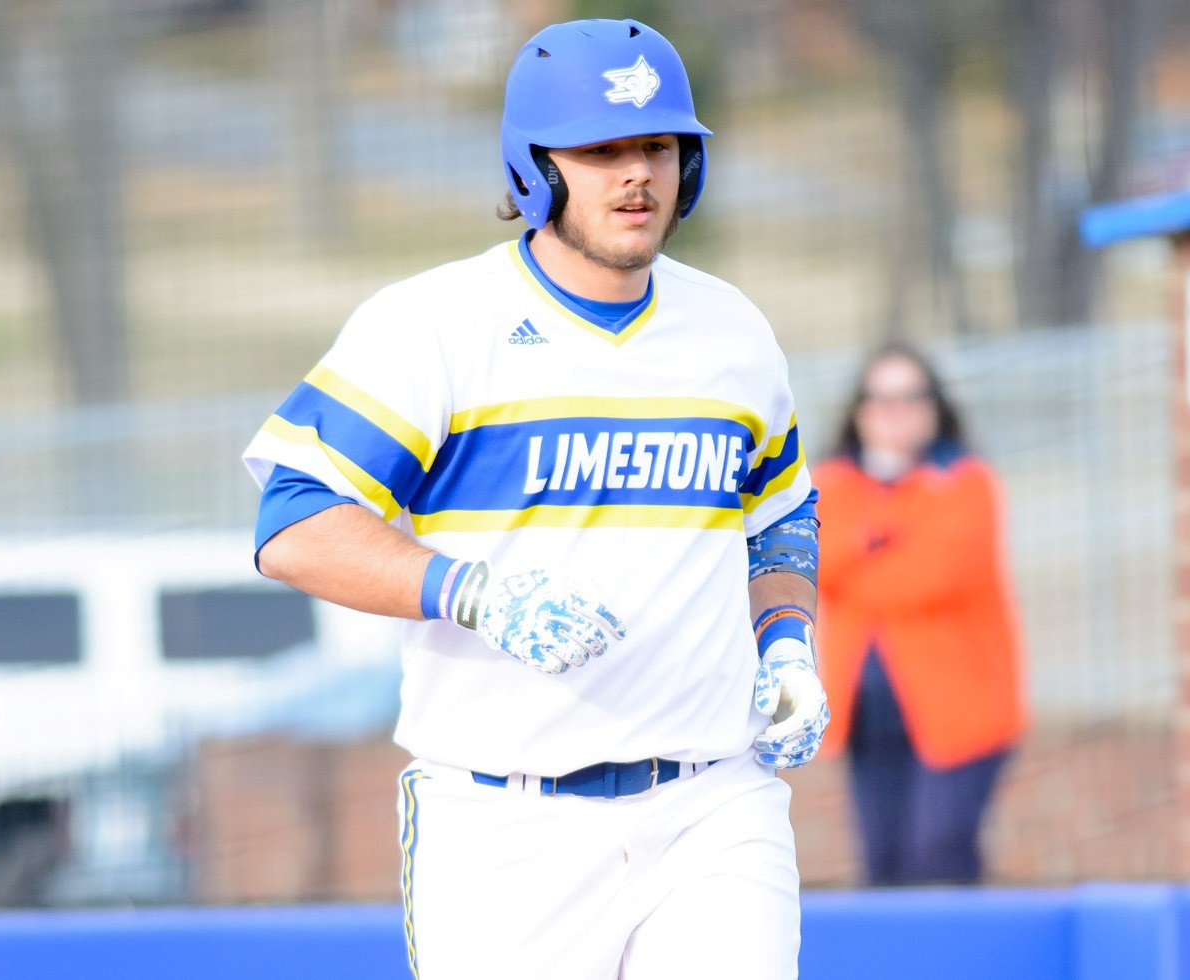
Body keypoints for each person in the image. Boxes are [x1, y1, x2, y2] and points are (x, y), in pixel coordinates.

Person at [243, 19, 825, 980]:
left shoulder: (734, 328)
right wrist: (477, 594)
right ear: (534, 168)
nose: (636, 175)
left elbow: (780, 516)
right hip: (502, 820)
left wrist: (789, 643)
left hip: (714, 803)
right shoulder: (433, 325)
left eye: (657, 146)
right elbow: (294, 524)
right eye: (600, 152)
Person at [814, 345, 1027, 886]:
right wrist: (880, 539)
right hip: (869, 718)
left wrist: (858, 562)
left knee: (939, 858)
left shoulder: (967, 483)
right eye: (880, 398)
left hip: (961, 712)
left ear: (934, 407)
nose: (895, 411)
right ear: (859, 411)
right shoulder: (831, 484)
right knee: (883, 869)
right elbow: (816, 557)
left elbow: (933, 576)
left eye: (911, 397)